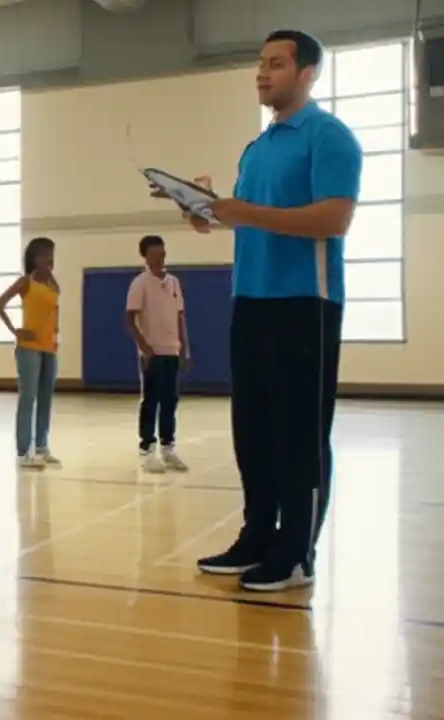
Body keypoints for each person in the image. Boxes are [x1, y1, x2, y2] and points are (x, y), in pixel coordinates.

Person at [151, 29, 361, 592]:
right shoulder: (258, 147)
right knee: (254, 431)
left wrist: (244, 210)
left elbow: (333, 220)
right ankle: (256, 538)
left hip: (305, 304)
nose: (262, 74)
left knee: (300, 434)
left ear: (307, 73)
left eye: (276, 64)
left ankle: (296, 553)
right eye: (260, 64)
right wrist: (201, 206)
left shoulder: (330, 137)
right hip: (251, 301)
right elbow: (236, 219)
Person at [0, 237, 61, 469]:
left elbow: (55, 311)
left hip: (49, 348)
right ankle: (23, 452)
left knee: (46, 398)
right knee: (28, 397)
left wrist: (56, 334)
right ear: (33, 258)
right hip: (29, 349)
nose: (49, 259)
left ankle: (42, 446)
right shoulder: (25, 282)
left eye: (51, 254)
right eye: (43, 255)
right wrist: (15, 330)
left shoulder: (53, 283)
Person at [125, 235, 190, 474]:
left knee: (170, 400)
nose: (159, 258)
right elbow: (130, 319)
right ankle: (147, 448)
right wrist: (145, 347)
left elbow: (180, 317)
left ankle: (168, 446)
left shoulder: (174, 283)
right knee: (151, 399)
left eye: (162, 253)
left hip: (171, 349)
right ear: (145, 256)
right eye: (154, 254)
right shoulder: (140, 283)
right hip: (152, 352)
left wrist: (184, 349)